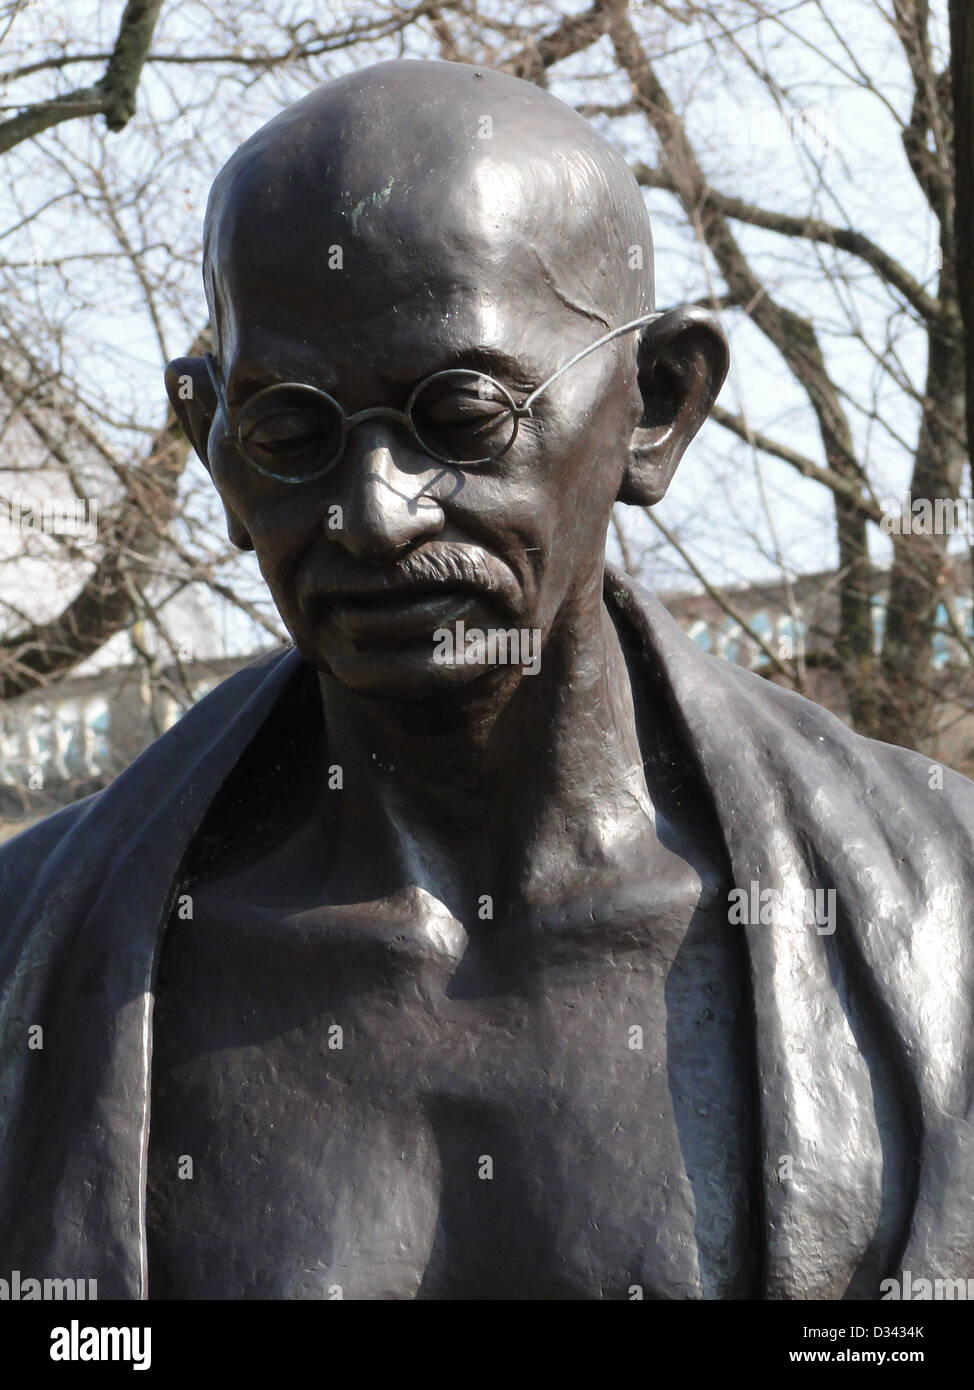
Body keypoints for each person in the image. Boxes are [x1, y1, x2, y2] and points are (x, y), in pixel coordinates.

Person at [1, 59, 973, 1301]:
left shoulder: (941, 915)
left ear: (656, 405)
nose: (371, 515)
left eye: (460, 417)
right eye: (290, 433)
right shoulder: (30, 944)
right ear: (215, 446)